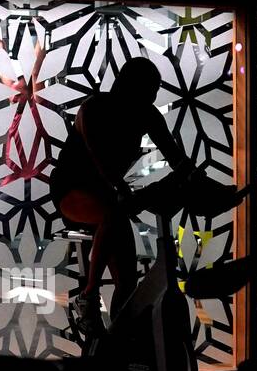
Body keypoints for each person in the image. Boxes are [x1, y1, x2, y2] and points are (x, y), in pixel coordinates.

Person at [49, 56, 198, 334]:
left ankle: (121, 339)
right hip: (72, 189)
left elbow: (176, 156)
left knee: (128, 281)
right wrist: (125, 193)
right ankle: (88, 296)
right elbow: (100, 161)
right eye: (149, 90)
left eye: (156, 91)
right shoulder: (93, 108)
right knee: (112, 212)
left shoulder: (148, 114)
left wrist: (199, 181)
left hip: (110, 195)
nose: (153, 97)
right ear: (130, 86)